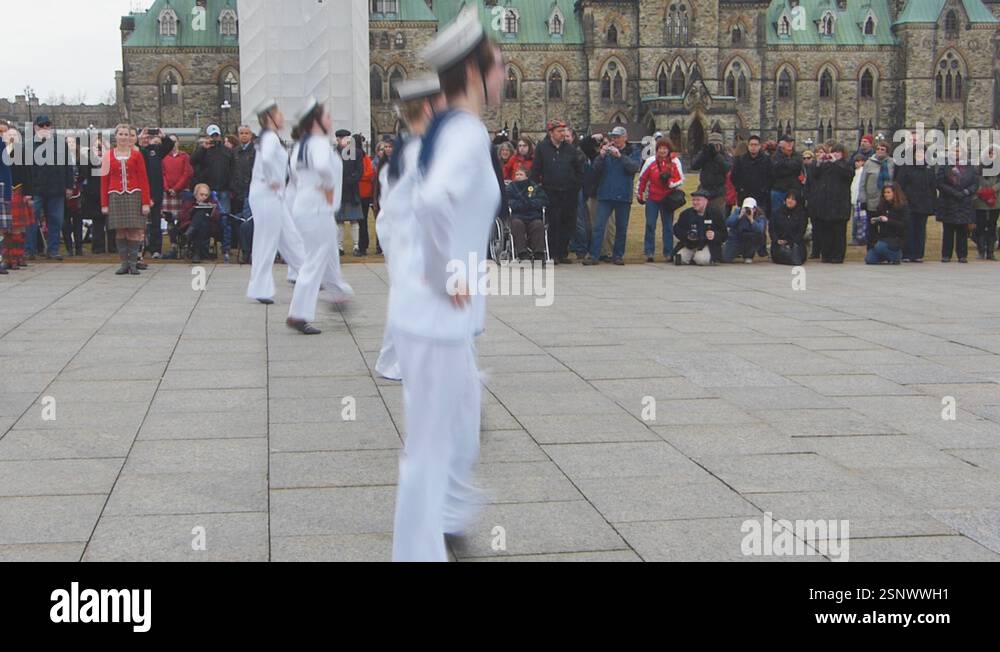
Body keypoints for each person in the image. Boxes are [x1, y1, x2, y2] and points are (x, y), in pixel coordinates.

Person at [387, 9, 503, 561]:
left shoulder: (447, 131)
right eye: (498, 64)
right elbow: (433, 201)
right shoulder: (466, 132)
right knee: (429, 452)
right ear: (475, 73)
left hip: (434, 317)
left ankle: (449, 521)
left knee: (456, 425)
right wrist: (446, 273)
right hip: (434, 315)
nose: (505, 74)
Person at [374, 75, 444, 382]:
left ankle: (400, 359)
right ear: (428, 108)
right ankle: (399, 361)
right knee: (412, 297)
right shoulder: (417, 151)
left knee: (411, 296)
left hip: (405, 233)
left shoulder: (410, 146)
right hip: (411, 234)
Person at [287, 98, 354, 334]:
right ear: (315, 121)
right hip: (317, 208)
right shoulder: (318, 143)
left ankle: (338, 293)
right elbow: (324, 167)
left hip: (305, 206)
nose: (330, 119)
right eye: (327, 116)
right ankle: (298, 313)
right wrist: (327, 186)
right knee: (315, 260)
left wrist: (309, 186)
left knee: (328, 252)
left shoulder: (301, 145)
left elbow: (293, 173)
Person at [246, 99, 308, 305]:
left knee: (289, 236)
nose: (282, 117)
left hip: (273, 196)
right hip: (266, 195)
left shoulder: (270, 137)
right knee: (267, 241)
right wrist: (272, 179)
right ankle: (260, 287)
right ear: (269, 118)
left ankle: (308, 274)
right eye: (278, 114)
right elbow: (266, 160)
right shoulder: (270, 138)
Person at [531, 119, 585, 264]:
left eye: (564, 131)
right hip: (550, 191)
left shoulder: (570, 149)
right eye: (559, 131)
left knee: (567, 223)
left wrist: (576, 186)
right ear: (551, 133)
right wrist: (533, 189)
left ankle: (562, 253)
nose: (562, 134)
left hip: (568, 192)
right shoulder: (542, 148)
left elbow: (579, 169)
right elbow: (535, 170)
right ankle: (553, 253)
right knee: (553, 223)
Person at [584, 125, 640, 266]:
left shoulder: (632, 150)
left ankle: (618, 255)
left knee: (621, 228)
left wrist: (620, 157)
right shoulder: (607, 151)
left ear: (625, 138)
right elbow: (595, 169)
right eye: (613, 137)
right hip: (605, 195)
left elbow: (634, 167)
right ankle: (594, 255)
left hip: (623, 195)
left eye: (618, 137)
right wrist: (601, 155)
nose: (615, 140)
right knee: (599, 226)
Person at [101, 123, 151, 275]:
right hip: (115, 196)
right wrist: (104, 203)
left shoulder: (136, 155)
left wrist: (145, 202)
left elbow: (143, 179)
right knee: (120, 231)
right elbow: (104, 180)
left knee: (135, 231)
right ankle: (124, 263)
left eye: (126, 134)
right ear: (116, 136)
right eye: (121, 134)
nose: (124, 137)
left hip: (134, 195)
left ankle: (133, 263)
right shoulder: (108, 155)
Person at [24, 115, 74, 260]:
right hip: (35, 190)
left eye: (47, 125)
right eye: (42, 125)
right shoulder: (28, 145)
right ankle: (29, 250)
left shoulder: (61, 143)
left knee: (56, 221)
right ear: (35, 127)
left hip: (57, 189)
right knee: (31, 221)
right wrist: (27, 191)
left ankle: (53, 250)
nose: (45, 128)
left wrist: (69, 186)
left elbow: (68, 166)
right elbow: (25, 170)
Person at [191, 124, 235, 261]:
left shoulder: (227, 151)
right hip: (208, 191)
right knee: (206, 219)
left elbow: (233, 170)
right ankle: (205, 248)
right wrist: (203, 148)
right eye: (212, 136)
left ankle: (226, 248)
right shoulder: (204, 150)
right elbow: (192, 161)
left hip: (224, 190)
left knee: (225, 219)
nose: (215, 138)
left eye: (216, 135)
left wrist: (231, 187)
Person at [636, 137, 684, 262]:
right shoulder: (650, 161)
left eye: (665, 148)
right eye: (660, 148)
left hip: (667, 199)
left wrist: (670, 182)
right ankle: (649, 252)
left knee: (667, 226)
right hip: (653, 198)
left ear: (669, 150)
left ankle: (668, 252)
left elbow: (680, 179)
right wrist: (639, 194)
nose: (662, 151)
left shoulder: (675, 162)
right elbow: (642, 178)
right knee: (650, 224)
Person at [809, 143, 854, 263]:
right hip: (826, 204)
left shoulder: (846, 164)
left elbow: (848, 174)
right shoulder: (826, 165)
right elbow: (815, 175)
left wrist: (836, 162)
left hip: (840, 204)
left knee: (839, 232)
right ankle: (826, 255)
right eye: (833, 152)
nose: (835, 154)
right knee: (826, 231)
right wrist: (819, 162)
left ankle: (838, 256)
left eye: (838, 152)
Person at [894, 146, 936, 262]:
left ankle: (918, 254)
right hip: (909, 204)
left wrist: (933, 204)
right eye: (917, 153)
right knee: (909, 229)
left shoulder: (929, 168)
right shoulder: (906, 167)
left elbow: (932, 187)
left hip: (923, 204)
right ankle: (907, 254)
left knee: (920, 230)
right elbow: (900, 185)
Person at [137, 129, 174, 259]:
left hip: (155, 191)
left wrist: (163, 136)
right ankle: (140, 248)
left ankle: (156, 248)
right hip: (140, 190)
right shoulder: (138, 150)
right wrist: (140, 138)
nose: (147, 139)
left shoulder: (156, 150)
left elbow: (169, 145)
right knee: (139, 222)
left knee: (155, 221)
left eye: (149, 137)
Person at [672, 189, 726, 265]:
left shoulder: (715, 214)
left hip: (708, 244)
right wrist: (687, 235)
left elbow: (724, 234)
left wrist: (714, 235)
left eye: (698, 200)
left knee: (701, 260)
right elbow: (677, 229)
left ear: (706, 201)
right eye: (693, 200)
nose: (695, 202)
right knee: (679, 259)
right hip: (690, 244)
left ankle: (700, 258)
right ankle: (694, 257)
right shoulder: (686, 214)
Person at [161, 135, 194, 257]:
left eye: (174, 141)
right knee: (169, 220)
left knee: (182, 219)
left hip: (181, 192)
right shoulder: (164, 156)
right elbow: (162, 174)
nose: (173, 144)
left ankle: (183, 244)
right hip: (168, 193)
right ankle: (173, 245)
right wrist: (167, 188)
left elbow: (187, 173)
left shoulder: (184, 156)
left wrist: (176, 188)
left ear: (178, 143)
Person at [507, 166, 548, 259]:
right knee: (517, 225)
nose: (518, 176)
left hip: (532, 215)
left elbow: (543, 200)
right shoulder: (510, 188)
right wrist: (520, 204)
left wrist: (531, 203)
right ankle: (521, 252)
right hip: (518, 215)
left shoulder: (534, 187)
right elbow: (508, 201)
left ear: (526, 176)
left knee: (538, 224)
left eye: (521, 174)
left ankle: (539, 253)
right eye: (517, 174)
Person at [335, 130, 364, 256]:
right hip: (338, 191)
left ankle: (356, 246)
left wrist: (350, 180)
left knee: (354, 220)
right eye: (340, 138)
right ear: (337, 140)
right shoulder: (333, 153)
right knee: (339, 221)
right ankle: (339, 247)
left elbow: (360, 171)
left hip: (352, 190)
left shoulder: (357, 153)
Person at [861, 139, 895, 250]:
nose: (879, 151)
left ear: (887, 152)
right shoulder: (869, 163)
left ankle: (885, 250)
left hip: (886, 201)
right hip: (872, 200)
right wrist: (863, 200)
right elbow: (863, 183)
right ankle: (871, 250)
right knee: (872, 227)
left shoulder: (892, 163)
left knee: (886, 227)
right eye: (878, 149)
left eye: (882, 149)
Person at [865, 182, 908, 265]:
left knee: (879, 246)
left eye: (888, 192)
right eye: (884, 192)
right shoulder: (881, 206)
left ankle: (895, 256)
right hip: (882, 238)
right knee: (870, 259)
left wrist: (888, 220)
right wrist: (874, 221)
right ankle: (884, 256)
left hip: (895, 239)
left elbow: (903, 225)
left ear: (894, 193)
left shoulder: (903, 207)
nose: (886, 195)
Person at [231, 125, 257, 264]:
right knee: (239, 222)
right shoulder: (235, 152)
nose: (244, 135)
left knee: (248, 223)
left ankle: (249, 252)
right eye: (241, 133)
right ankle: (245, 249)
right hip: (238, 192)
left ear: (251, 135)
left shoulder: (256, 151)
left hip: (252, 192)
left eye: (247, 133)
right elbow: (232, 171)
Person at [691, 132, 731, 215]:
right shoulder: (704, 154)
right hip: (704, 190)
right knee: (702, 215)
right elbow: (694, 166)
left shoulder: (724, 156)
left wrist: (716, 155)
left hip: (719, 192)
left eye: (717, 145)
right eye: (712, 145)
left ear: (721, 145)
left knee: (718, 215)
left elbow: (727, 168)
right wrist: (704, 154)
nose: (714, 147)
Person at [180, 183, 221, 264]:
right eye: (201, 194)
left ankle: (189, 235)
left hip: (209, 227)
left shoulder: (212, 202)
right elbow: (182, 216)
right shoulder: (189, 201)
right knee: (201, 223)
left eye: (206, 195)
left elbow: (217, 217)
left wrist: (211, 210)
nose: (204, 197)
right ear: (195, 194)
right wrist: (193, 209)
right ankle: (197, 254)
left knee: (201, 215)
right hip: (189, 224)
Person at [723, 197, 766, 263]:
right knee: (725, 259)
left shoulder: (760, 216)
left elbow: (760, 230)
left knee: (758, 236)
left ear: (754, 209)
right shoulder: (737, 211)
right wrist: (739, 216)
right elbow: (728, 223)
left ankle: (748, 254)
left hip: (750, 240)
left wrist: (751, 220)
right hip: (736, 239)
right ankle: (736, 252)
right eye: (745, 208)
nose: (747, 210)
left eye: (749, 208)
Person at [974, 148, 999, 260]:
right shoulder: (978, 168)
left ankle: (990, 252)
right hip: (980, 202)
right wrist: (983, 192)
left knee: (992, 226)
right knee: (980, 226)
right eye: (990, 154)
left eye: (994, 154)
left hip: (995, 202)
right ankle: (981, 251)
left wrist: (993, 190)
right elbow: (974, 181)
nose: (991, 156)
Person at [770, 190, 808, 265]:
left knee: (797, 255)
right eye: (788, 198)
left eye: (793, 199)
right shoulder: (777, 213)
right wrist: (777, 240)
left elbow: (801, 231)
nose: (790, 201)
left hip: (795, 243)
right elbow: (772, 229)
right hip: (780, 243)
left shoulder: (801, 214)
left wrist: (791, 242)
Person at [61, 136, 83, 257]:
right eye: (68, 142)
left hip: (78, 193)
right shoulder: (60, 158)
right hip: (64, 192)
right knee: (65, 222)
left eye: (72, 142)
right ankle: (69, 247)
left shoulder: (81, 159)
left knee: (78, 222)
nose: (70, 144)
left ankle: (79, 247)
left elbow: (85, 174)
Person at [770, 134, 802, 214]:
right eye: (787, 142)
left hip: (794, 190)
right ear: (781, 144)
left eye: (791, 141)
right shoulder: (775, 156)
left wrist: (785, 165)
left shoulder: (797, 155)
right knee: (777, 214)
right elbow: (777, 170)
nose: (790, 144)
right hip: (779, 190)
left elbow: (797, 167)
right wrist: (790, 167)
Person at [357, 142, 376, 256]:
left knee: (364, 221)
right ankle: (362, 245)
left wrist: (359, 176)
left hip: (366, 193)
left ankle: (364, 245)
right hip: (357, 193)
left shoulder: (366, 158)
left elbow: (370, 173)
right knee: (361, 222)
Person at [849, 154, 868, 246]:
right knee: (855, 220)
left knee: (860, 220)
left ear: (863, 162)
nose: (857, 163)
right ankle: (855, 237)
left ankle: (860, 238)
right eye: (856, 161)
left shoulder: (863, 172)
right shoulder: (854, 172)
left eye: (859, 161)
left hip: (859, 199)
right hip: (854, 199)